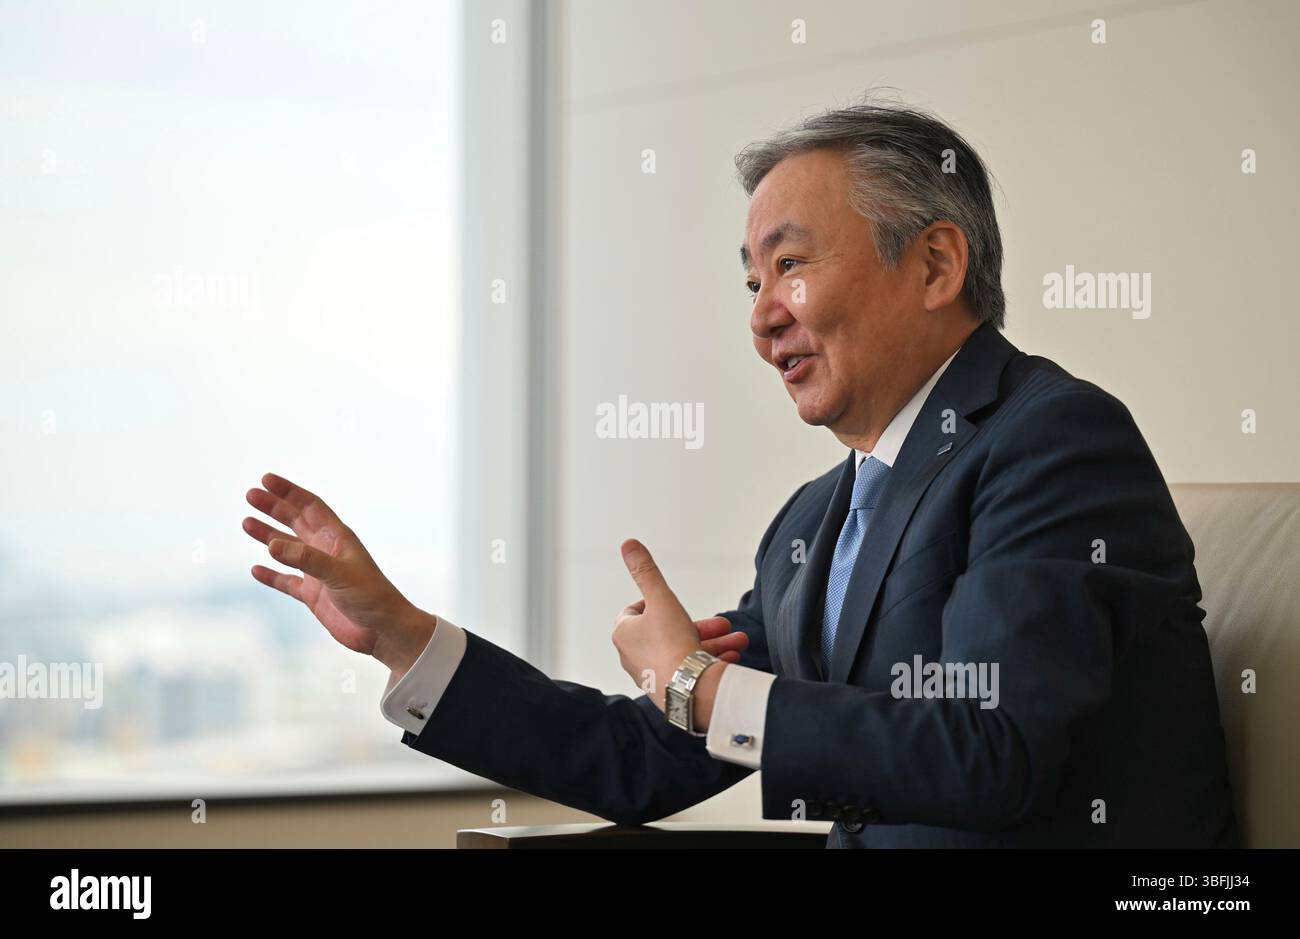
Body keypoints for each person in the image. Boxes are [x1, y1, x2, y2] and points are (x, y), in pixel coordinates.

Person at [242, 98, 1238, 847]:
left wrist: (696, 686)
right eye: (751, 280)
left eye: (791, 266)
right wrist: (403, 638)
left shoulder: (1053, 441)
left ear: (935, 266)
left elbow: (992, 756)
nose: (762, 311)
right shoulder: (815, 520)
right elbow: (646, 761)